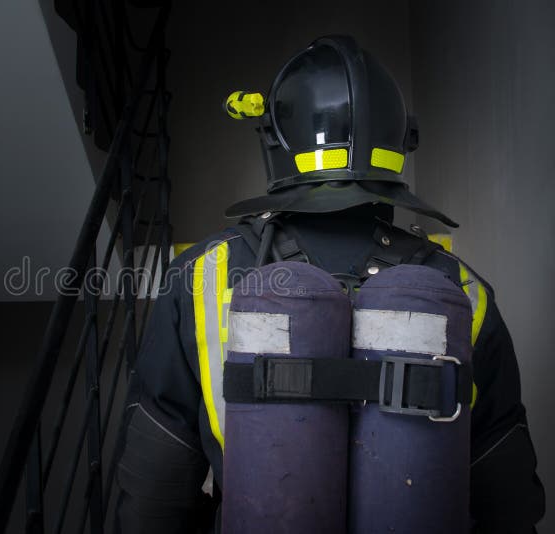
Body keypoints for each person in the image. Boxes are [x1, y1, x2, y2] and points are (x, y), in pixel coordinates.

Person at [113, 35, 545, 533]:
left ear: (276, 141)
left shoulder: (200, 278)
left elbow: (154, 492)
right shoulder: (462, 290)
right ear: (399, 144)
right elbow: (507, 497)